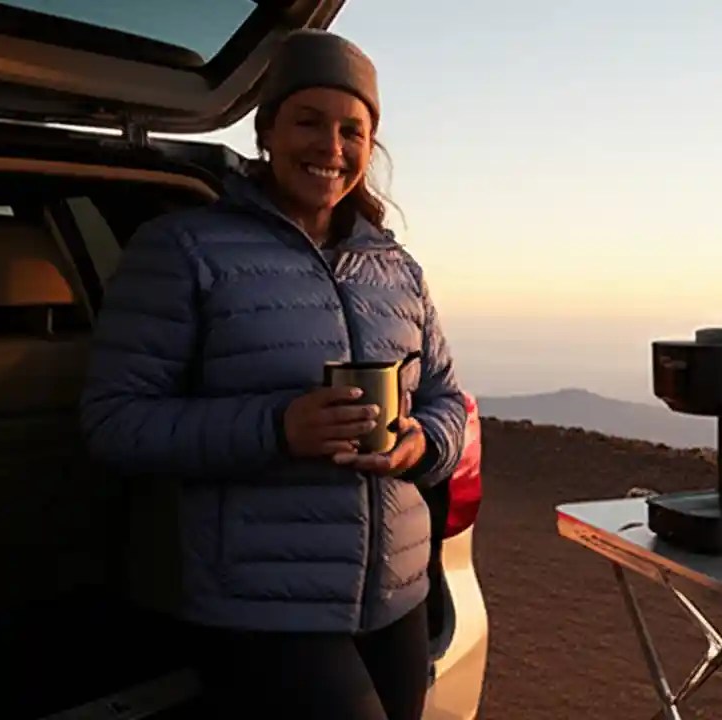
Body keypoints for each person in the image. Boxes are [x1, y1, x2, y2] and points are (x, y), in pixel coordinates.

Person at [78, 29, 465, 720]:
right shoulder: (185, 250)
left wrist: (423, 445)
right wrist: (277, 427)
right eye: (308, 122)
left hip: (397, 591)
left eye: (353, 130)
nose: (332, 147)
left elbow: (442, 395)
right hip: (261, 600)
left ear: (371, 147)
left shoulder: (395, 267)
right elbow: (115, 421)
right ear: (267, 131)